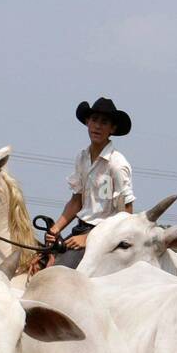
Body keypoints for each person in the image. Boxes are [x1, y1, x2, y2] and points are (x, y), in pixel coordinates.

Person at [47, 97, 135, 268]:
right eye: (94, 120)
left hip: (104, 237)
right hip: (80, 230)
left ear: (112, 128)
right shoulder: (82, 157)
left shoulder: (116, 164)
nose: (97, 126)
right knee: (40, 259)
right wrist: (55, 229)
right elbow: (76, 201)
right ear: (87, 122)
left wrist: (89, 238)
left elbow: (126, 213)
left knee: (60, 272)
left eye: (104, 122)